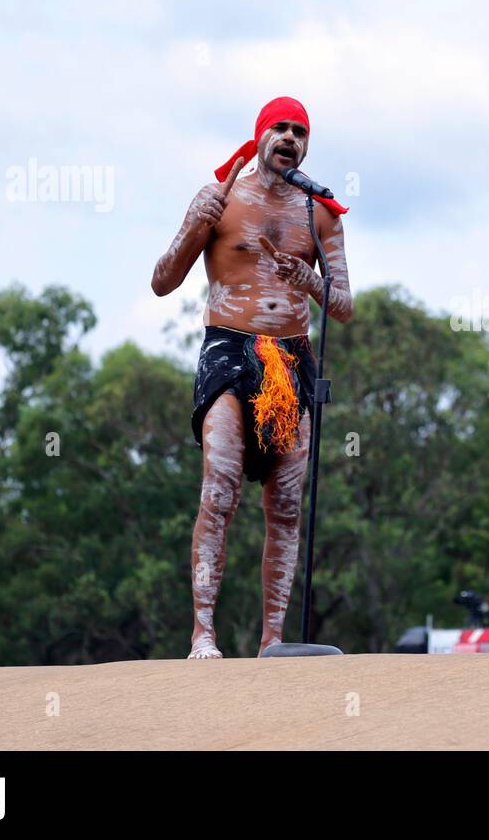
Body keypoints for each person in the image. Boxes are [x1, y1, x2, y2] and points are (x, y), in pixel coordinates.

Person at [151, 96, 353, 658]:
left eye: (300, 132)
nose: (290, 138)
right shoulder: (220, 199)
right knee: (219, 489)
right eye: (280, 128)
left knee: (286, 505)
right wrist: (195, 225)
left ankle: (272, 641)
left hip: (291, 358)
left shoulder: (321, 212)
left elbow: (343, 306)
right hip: (228, 349)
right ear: (261, 136)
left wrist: (308, 282)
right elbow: (162, 281)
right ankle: (203, 634)